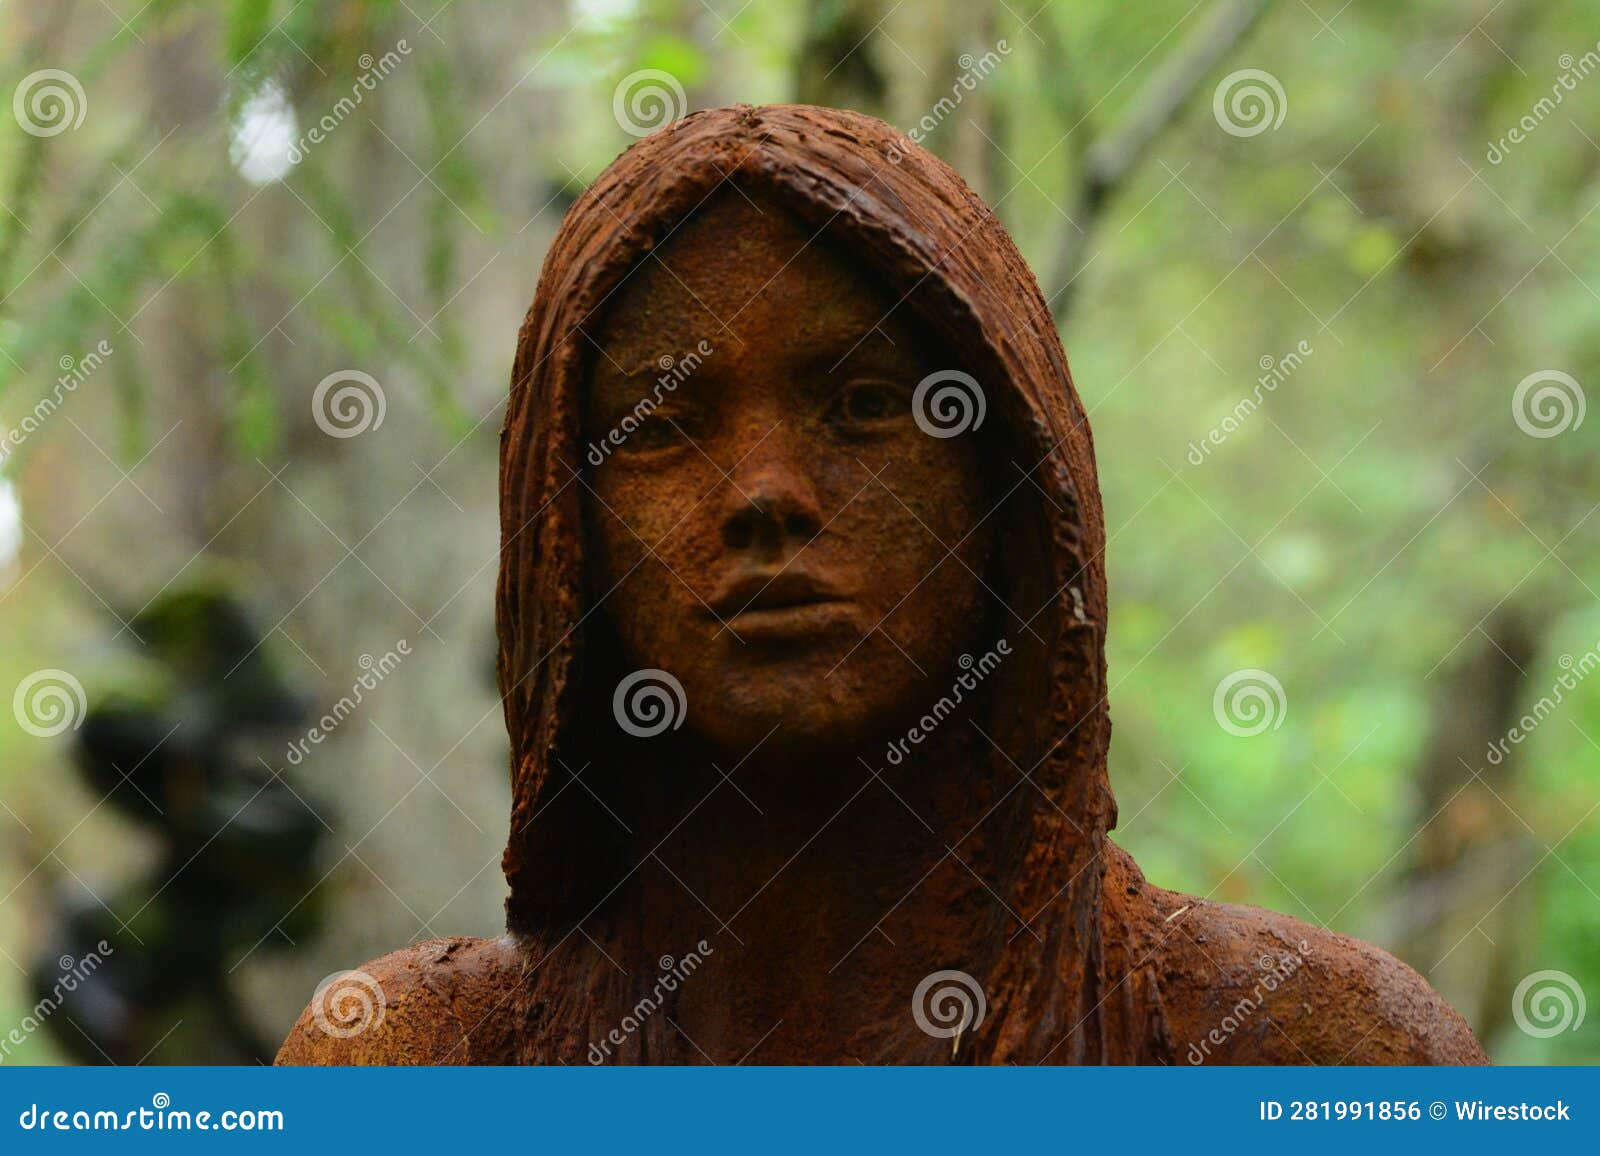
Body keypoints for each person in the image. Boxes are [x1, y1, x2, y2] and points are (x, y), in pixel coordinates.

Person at [277, 104, 1486, 1065]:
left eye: (861, 404)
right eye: (662, 424)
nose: (765, 492)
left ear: (1008, 484)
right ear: (564, 529)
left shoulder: (1306, 1051)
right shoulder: (420, 1069)